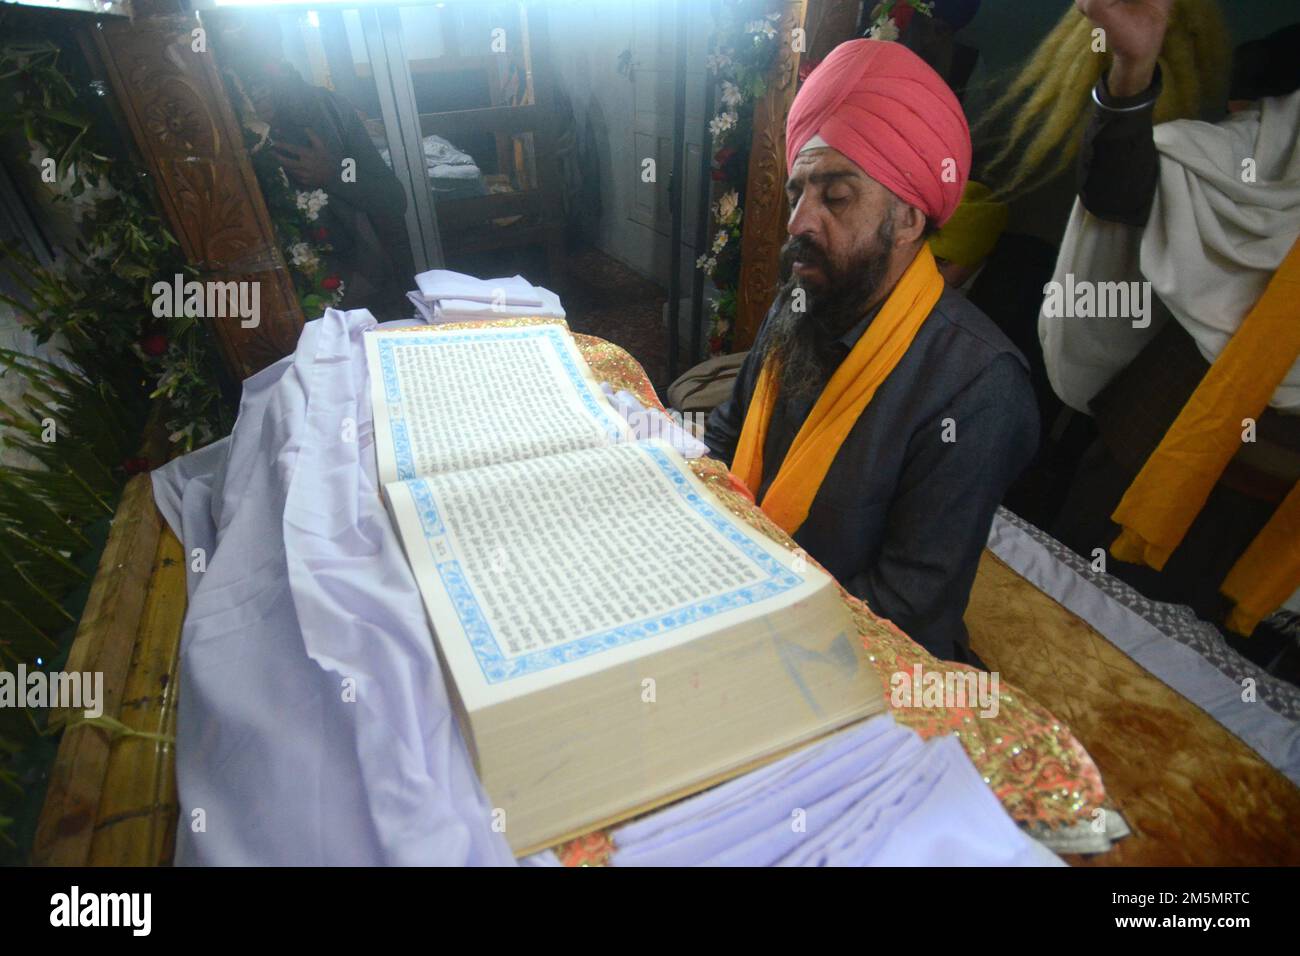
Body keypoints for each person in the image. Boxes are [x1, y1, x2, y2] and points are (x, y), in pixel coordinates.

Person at [704, 39, 1038, 663]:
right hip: (737, 600)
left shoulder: (978, 390)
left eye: (835, 197)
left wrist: (742, 632)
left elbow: (905, 610)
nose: (800, 220)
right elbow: (725, 439)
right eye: (799, 191)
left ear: (910, 218)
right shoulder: (802, 298)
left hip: (848, 660)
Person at [1042, 1, 1300, 644]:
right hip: (1148, 456)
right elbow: (1123, 189)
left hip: (1260, 525)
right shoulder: (1258, 155)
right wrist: (1132, 69)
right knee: (1064, 634)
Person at [216, 11, 415, 317]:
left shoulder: (330, 110)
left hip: (364, 293)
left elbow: (392, 198)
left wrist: (333, 175)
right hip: (274, 304)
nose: (263, 74)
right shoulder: (217, 129)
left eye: (268, 51)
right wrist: (247, 135)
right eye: (244, 61)